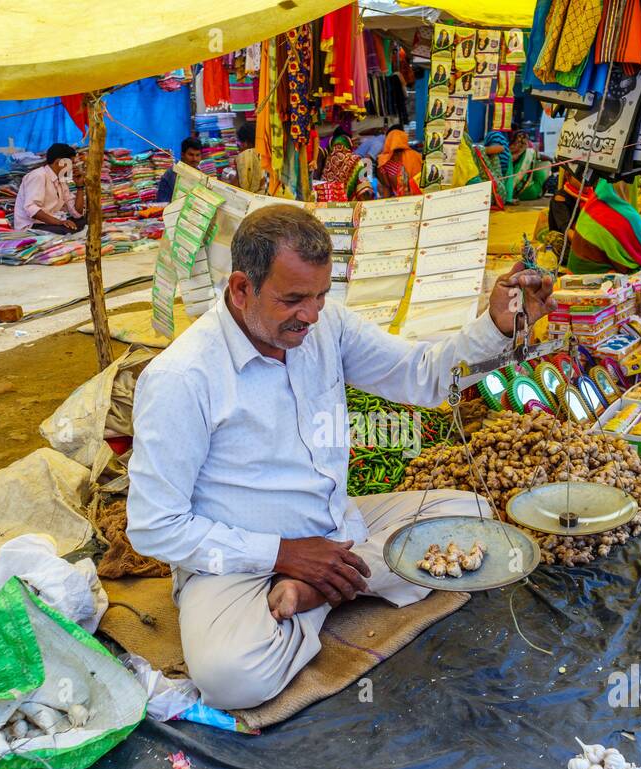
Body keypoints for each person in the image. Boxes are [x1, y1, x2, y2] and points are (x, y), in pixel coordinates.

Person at [126, 205, 554, 710]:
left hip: (338, 529)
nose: (309, 315)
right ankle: (333, 581)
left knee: (475, 515)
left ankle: (311, 595)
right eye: (292, 300)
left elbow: (422, 374)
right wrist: (283, 555)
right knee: (229, 677)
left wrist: (498, 326)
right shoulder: (183, 379)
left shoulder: (325, 326)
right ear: (241, 289)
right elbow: (154, 525)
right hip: (236, 562)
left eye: (320, 296)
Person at [13, 143, 87, 234]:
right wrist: (59, 222)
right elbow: (31, 209)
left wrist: (79, 187)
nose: (73, 167)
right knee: (67, 231)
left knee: (84, 222)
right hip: (32, 226)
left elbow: (77, 213)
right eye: (71, 163)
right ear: (59, 163)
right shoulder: (38, 176)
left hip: (50, 222)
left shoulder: (61, 180)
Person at [319, 129, 374, 200]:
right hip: (350, 206)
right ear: (349, 143)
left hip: (329, 204)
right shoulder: (357, 160)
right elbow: (364, 189)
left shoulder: (327, 162)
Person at [376, 127, 422, 197]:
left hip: (400, 200)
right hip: (419, 197)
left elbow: (386, 186)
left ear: (388, 141)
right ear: (404, 139)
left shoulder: (384, 162)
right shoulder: (417, 156)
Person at [156, 136, 204, 203]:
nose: (194, 159)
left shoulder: (201, 174)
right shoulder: (171, 174)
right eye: (191, 155)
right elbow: (162, 204)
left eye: (197, 155)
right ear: (182, 155)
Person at [508, 129, 549, 202]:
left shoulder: (505, 150)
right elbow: (541, 157)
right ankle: (540, 191)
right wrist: (554, 161)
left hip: (508, 193)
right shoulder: (529, 153)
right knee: (546, 164)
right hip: (527, 192)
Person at [234, 122, 263, 194]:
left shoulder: (243, 157)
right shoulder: (267, 153)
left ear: (246, 142)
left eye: (239, 142)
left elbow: (239, 187)